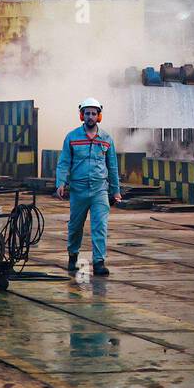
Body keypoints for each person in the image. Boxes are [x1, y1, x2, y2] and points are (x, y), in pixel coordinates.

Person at [56, 97, 122, 276]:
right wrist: (60, 183)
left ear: (99, 116)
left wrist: (115, 190)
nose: (90, 116)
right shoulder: (72, 137)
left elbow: (113, 166)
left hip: (99, 189)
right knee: (75, 226)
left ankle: (99, 262)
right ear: (81, 115)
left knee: (100, 225)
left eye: (94, 113)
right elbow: (64, 162)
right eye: (87, 113)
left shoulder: (106, 139)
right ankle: (72, 255)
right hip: (78, 190)